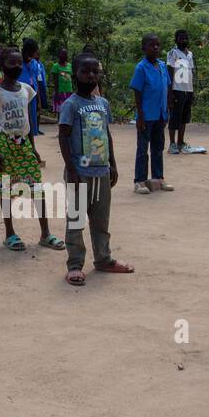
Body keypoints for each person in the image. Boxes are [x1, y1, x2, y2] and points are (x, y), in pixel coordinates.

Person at [58, 51, 132, 286]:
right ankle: (75, 265)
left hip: (101, 172)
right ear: (75, 74)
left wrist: (113, 164)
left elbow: (107, 134)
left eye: (95, 71)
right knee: (76, 220)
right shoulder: (70, 105)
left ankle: (103, 259)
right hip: (79, 173)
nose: (90, 75)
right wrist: (71, 169)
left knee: (101, 221)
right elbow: (63, 136)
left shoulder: (102, 103)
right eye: (85, 71)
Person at [0, 47, 64, 252]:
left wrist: (34, 148)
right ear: (2, 66)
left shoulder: (27, 89)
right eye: (12, 64)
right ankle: (9, 234)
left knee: (37, 187)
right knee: (6, 189)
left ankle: (45, 234)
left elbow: (28, 122)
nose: (17, 67)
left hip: (24, 145)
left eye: (20, 63)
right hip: (3, 146)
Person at [130, 34, 171, 194]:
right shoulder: (141, 67)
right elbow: (137, 91)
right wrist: (140, 115)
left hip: (160, 114)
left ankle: (158, 177)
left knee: (158, 147)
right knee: (142, 149)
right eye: (151, 45)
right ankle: (139, 180)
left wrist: (167, 109)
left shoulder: (162, 66)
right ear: (144, 48)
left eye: (157, 45)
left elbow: (167, 87)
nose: (155, 48)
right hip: (146, 115)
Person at [166, 29, 199, 154]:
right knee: (174, 117)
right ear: (176, 40)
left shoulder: (190, 54)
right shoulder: (173, 53)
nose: (184, 40)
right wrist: (170, 93)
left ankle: (181, 142)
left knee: (184, 118)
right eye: (181, 38)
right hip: (177, 89)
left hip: (188, 90)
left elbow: (191, 73)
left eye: (186, 38)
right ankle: (172, 144)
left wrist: (192, 91)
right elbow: (170, 72)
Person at [19, 38, 48, 139]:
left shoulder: (35, 64)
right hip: (19, 96)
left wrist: (39, 100)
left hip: (32, 96)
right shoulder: (18, 63)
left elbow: (36, 84)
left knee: (31, 120)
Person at [48, 47, 73, 114]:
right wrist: (57, 93)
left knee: (69, 111)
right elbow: (55, 81)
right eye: (63, 54)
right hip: (60, 92)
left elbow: (72, 79)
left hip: (69, 92)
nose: (65, 56)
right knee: (61, 111)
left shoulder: (70, 66)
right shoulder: (55, 66)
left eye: (66, 54)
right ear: (59, 55)